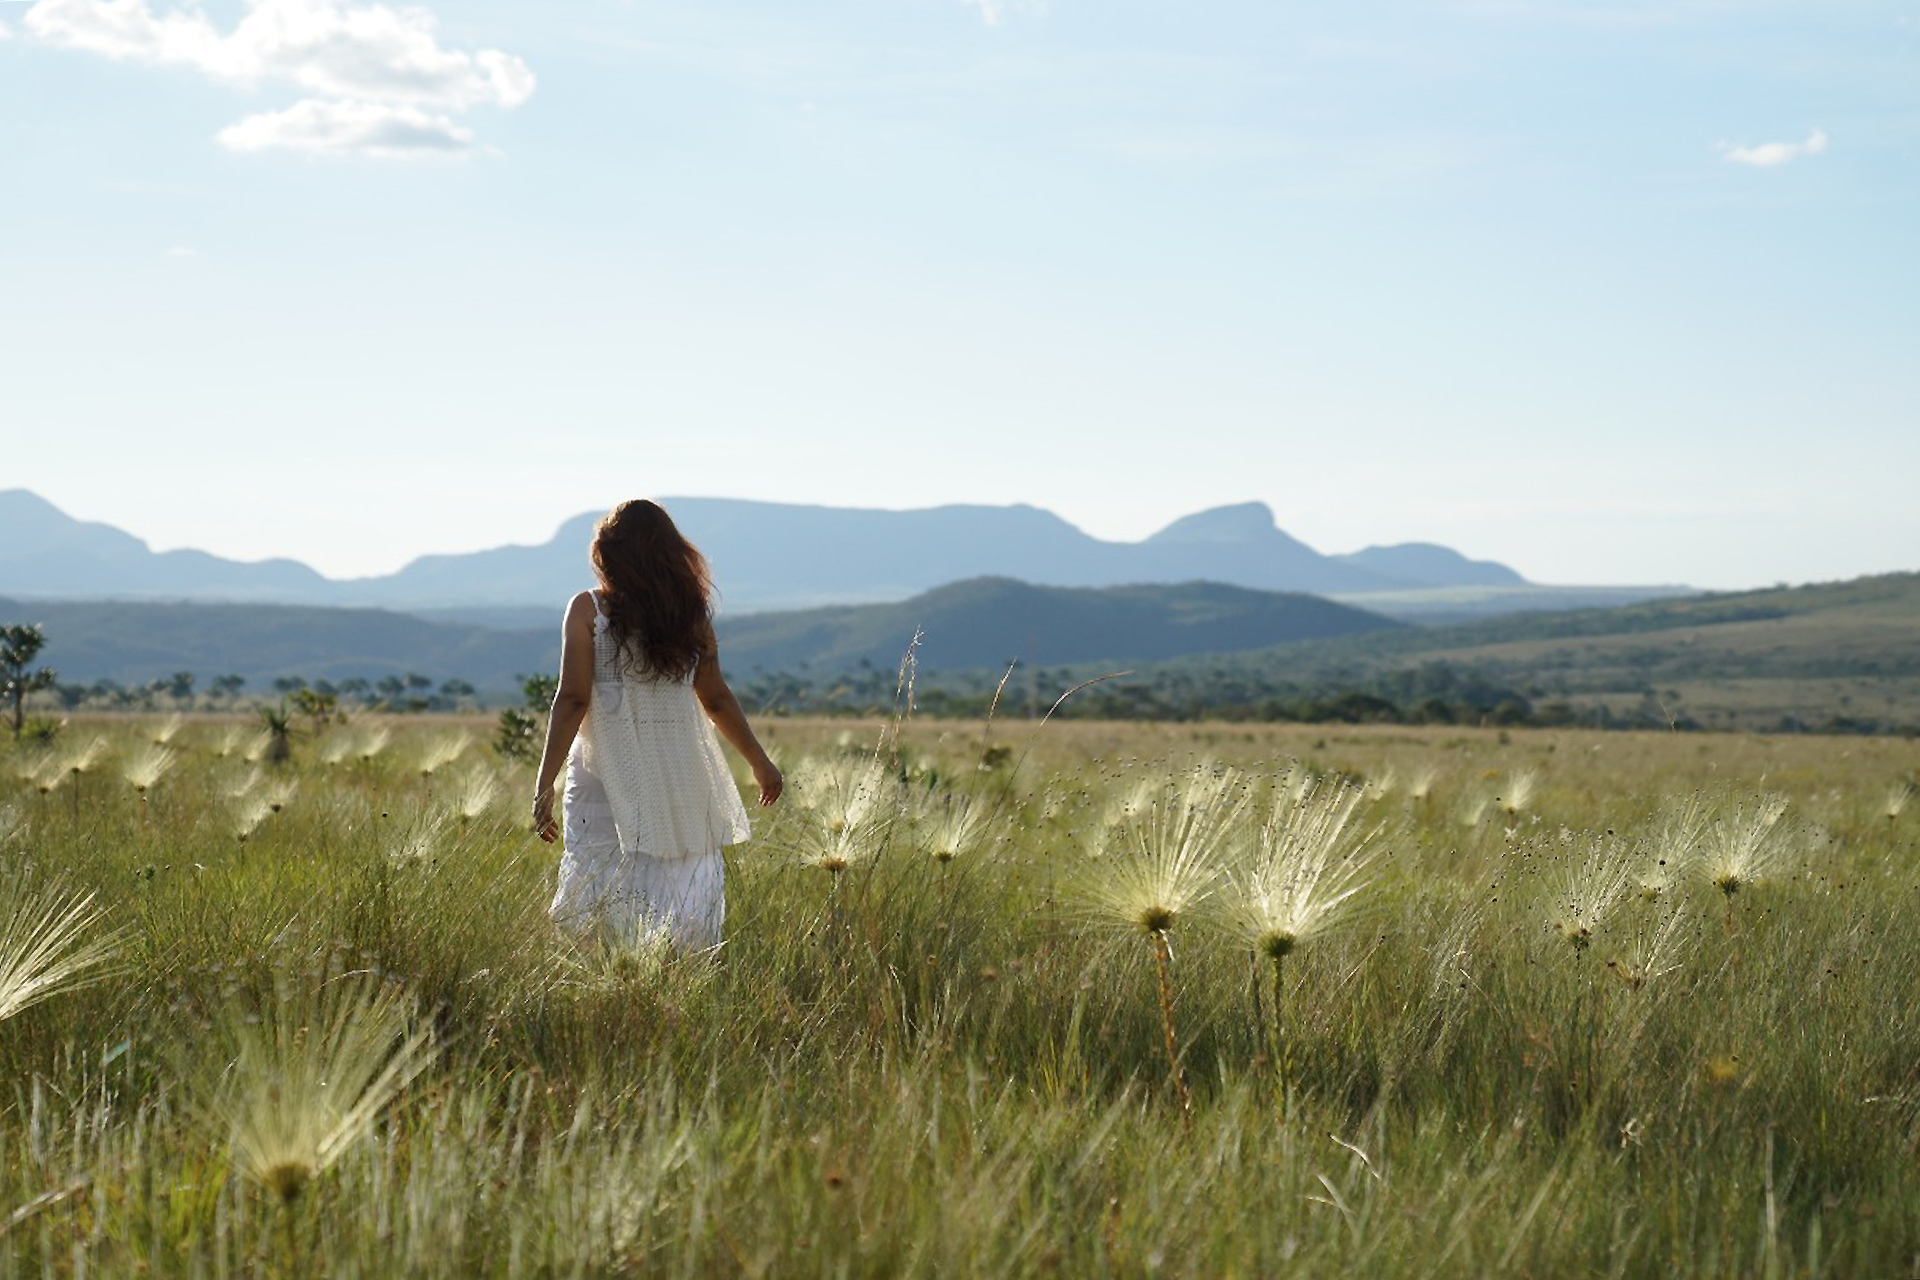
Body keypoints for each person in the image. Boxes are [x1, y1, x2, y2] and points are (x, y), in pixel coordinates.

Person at [531, 499, 783, 950]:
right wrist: (761, 764)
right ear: (671, 553)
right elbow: (716, 698)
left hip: (604, 774)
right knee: (679, 883)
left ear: (607, 553)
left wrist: (543, 782)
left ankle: (611, 996)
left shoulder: (588, 610)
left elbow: (572, 699)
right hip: (680, 772)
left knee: (600, 892)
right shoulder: (690, 617)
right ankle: (672, 981)